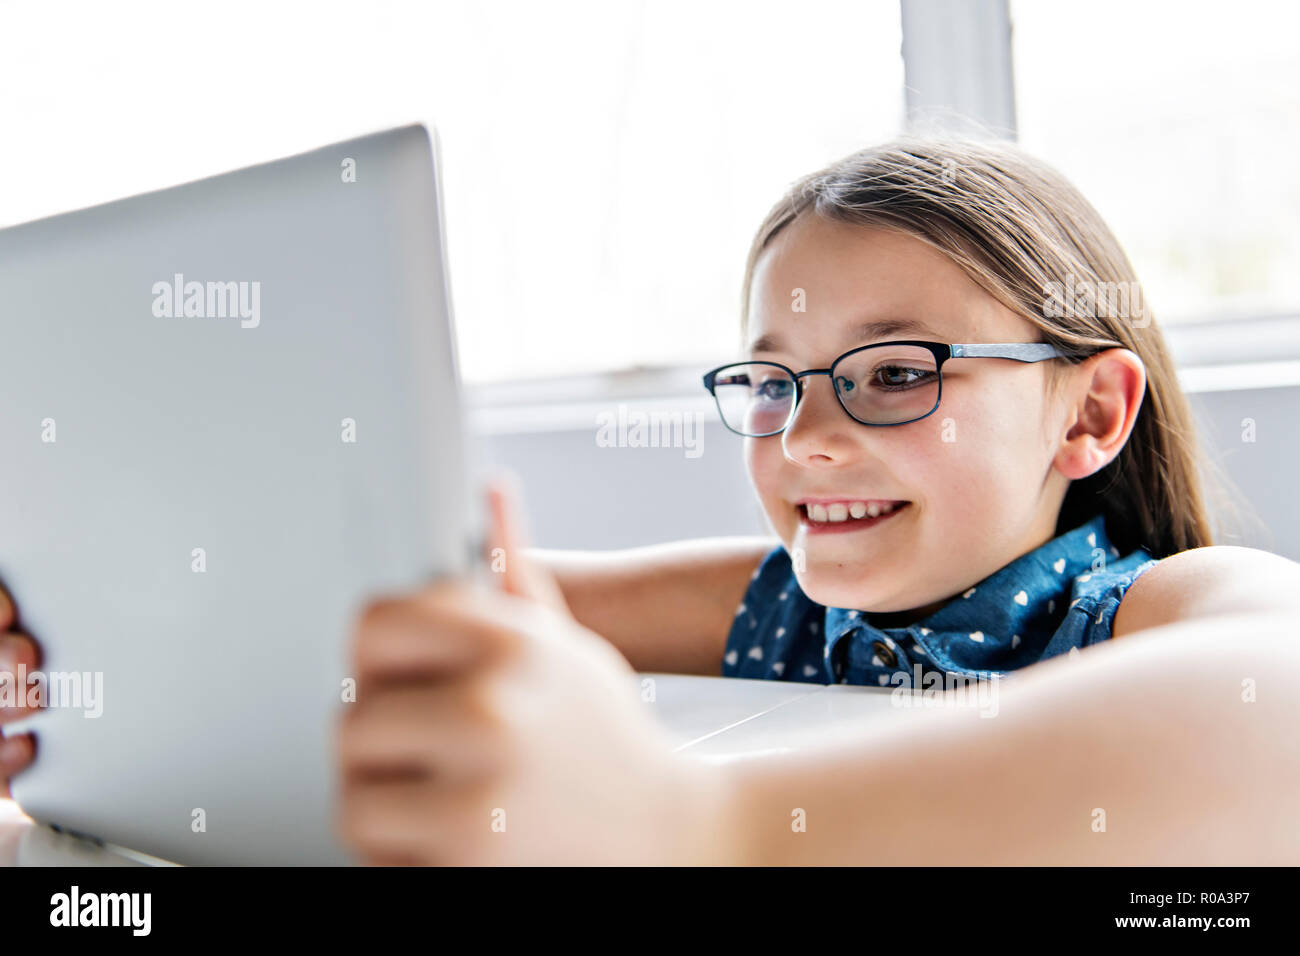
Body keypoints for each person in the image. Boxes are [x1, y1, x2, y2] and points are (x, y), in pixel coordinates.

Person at [4, 138, 1299, 864]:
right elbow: (436, 611)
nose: (812, 441)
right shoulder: (779, 605)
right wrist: (88, 649)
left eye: (897, 375)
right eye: (773, 386)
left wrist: (694, 824)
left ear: (1090, 414)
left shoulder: (1137, 610)